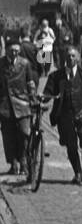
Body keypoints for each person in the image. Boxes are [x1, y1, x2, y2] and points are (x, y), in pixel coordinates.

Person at [46, 45, 82, 184]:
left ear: (78, 58)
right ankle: (77, 172)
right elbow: (48, 92)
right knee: (71, 146)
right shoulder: (56, 76)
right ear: (64, 58)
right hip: (66, 116)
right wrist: (43, 97)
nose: (70, 58)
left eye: (73, 55)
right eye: (68, 56)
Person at [0, 37, 38, 174]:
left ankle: (23, 160)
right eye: (12, 51)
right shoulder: (1, 64)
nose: (15, 53)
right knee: (8, 136)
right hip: (5, 106)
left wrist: (33, 98)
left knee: (24, 133)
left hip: (22, 103)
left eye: (17, 50)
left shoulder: (25, 63)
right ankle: (13, 163)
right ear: (6, 51)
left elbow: (30, 83)